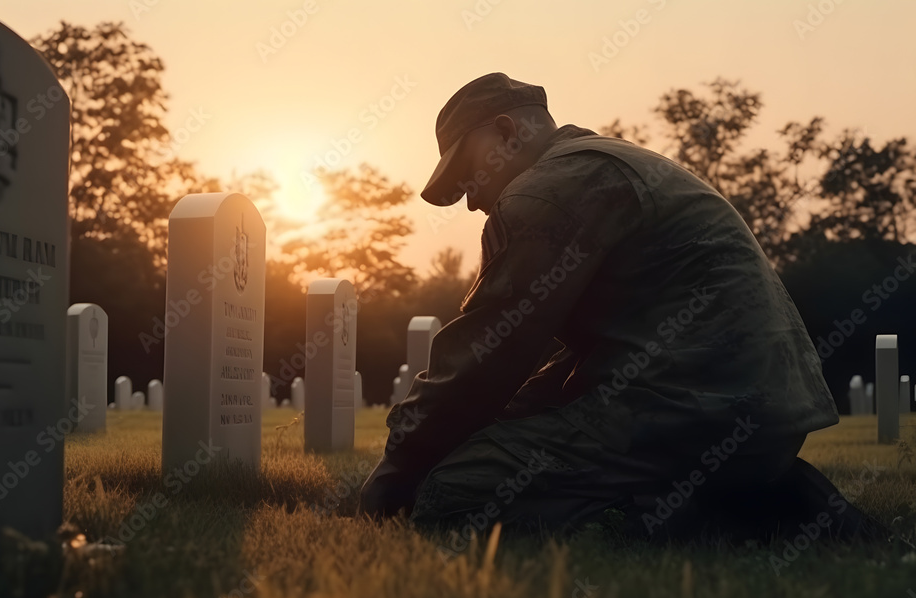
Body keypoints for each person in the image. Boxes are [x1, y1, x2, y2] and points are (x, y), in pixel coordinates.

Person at [358, 72, 884, 542]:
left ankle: (710, 514)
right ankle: (757, 496)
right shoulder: (608, 164)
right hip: (744, 408)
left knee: (455, 494)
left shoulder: (547, 192)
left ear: (506, 132)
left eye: (466, 175)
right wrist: (504, 417)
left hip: (693, 405)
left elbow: (489, 354)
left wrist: (400, 468)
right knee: (495, 447)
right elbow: (577, 361)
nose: (471, 200)